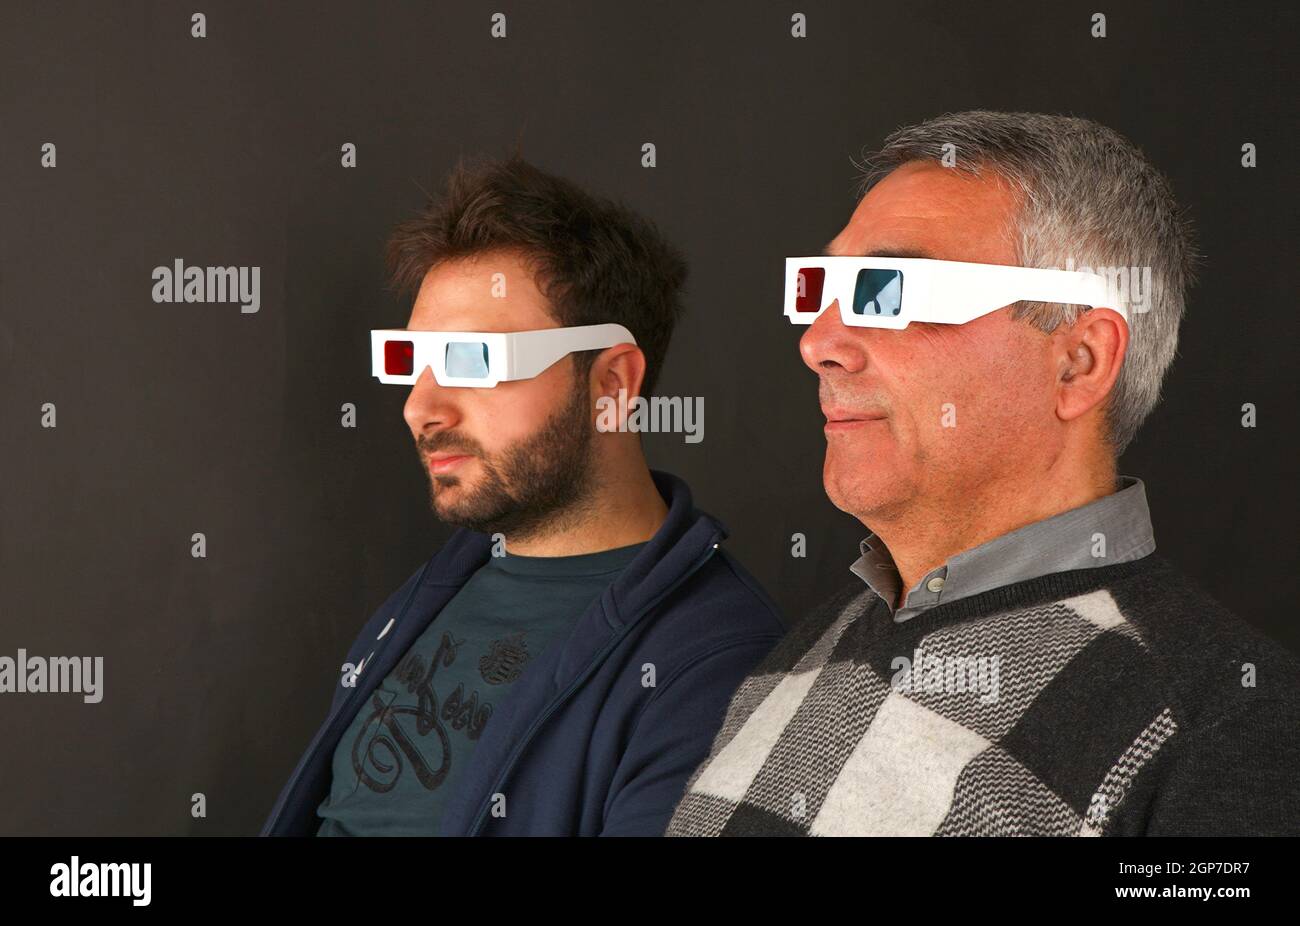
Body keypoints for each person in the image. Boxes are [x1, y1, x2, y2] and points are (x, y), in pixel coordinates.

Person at [667, 111, 1300, 836]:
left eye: (891, 291)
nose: (818, 342)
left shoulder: (1226, 728)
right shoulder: (807, 651)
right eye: (821, 288)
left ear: (1078, 361)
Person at [261, 155, 784, 836]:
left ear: (612, 384)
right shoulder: (436, 591)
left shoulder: (716, 667)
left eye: (473, 360)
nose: (421, 408)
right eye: (412, 363)